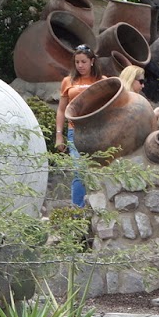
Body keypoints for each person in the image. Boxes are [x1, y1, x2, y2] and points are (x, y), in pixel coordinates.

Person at [55, 45, 103, 207]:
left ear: (92, 61)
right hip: (75, 131)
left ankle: (98, 208)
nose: (80, 65)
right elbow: (61, 109)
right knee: (79, 170)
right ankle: (78, 211)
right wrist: (59, 135)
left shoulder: (102, 80)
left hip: (97, 131)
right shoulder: (68, 81)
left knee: (98, 170)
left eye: (83, 62)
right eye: (77, 62)